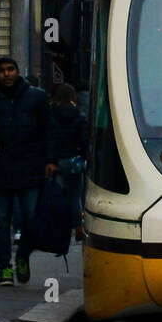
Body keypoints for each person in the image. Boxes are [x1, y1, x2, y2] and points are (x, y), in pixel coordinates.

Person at [0, 56, 53, 286]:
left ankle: (22, 257)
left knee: (30, 219)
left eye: (10, 69)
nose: (6, 74)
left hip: (29, 168)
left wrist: (50, 160)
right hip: (1, 167)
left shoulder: (36, 97)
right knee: (1, 221)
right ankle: (4, 268)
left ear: (18, 71)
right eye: (1, 71)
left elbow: (48, 130)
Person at [47, 83, 89, 242]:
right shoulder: (79, 115)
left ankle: (57, 227)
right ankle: (78, 227)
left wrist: (50, 160)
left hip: (56, 161)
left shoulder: (51, 114)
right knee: (75, 196)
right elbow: (84, 140)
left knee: (56, 194)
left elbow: (49, 139)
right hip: (74, 161)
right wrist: (84, 157)